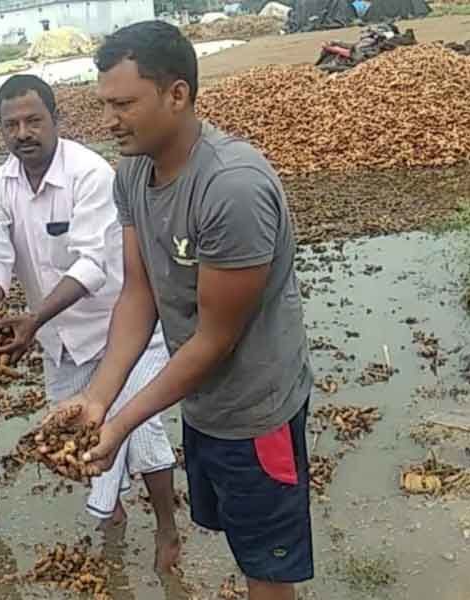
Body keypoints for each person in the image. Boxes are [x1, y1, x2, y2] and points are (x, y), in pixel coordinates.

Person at [49, 21, 314, 600]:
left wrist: (120, 425)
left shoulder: (231, 188)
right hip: (201, 401)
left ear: (177, 94)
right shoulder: (133, 173)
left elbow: (215, 339)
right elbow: (138, 295)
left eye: (124, 104)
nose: (109, 119)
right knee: (238, 535)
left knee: (267, 564)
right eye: (104, 104)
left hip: (255, 407)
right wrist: (99, 395)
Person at [0, 74, 181, 571]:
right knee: (78, 434)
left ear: (55, 120)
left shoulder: (90, 174)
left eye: (33, 120)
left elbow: (93, 263)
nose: (23, 132)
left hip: (120, 329)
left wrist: (33, 314)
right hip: (58, 342)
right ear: (0, 130)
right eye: (11, 124)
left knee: (143, 432)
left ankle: (167, 528)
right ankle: (113, 517)